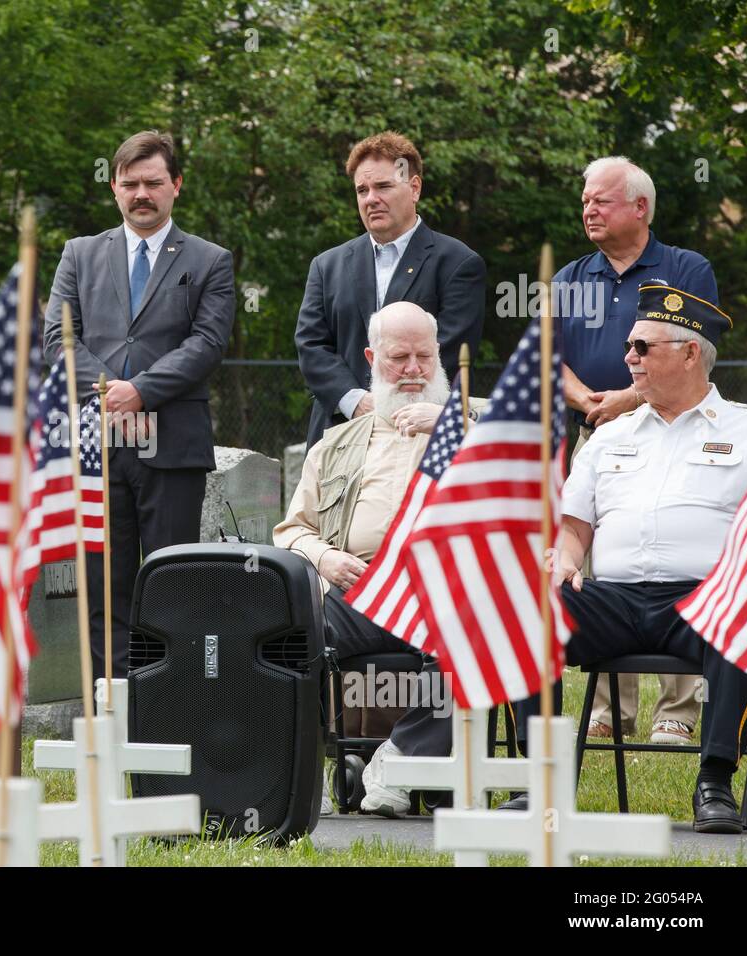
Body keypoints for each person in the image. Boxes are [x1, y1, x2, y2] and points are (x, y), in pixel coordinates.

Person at [367, 286, 747, 833]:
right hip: (614, 597)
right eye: (629, 346)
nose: (628, 358)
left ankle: (715, 781)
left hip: (707, 597)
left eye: (642, 347)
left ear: (690, 353)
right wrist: (565, 560)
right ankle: (541, 779)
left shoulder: (746, 430)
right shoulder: (609, 435)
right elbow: (575, 527)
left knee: (746, 613)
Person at [275, 301, 481, 815]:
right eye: (398, 358)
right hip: (361, 589)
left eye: (423, 357)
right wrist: (323, 559)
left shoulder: (477, 426)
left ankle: (397, 763)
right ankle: (296, 770)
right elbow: (291, 530)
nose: (412, 370)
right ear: (372, 358)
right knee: (284, 638)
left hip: (442, 591)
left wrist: (459, 427)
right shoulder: (336, 443)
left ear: (441, 358)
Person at [44, 130, 235, 682]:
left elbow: (208, 342)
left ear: (176, 185)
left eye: (153, 182)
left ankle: (170, 714)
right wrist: (110, 392)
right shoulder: (79, 255)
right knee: (105, 588)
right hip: (95, 446)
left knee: (174, 587)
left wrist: (142, 390)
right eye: (130, 184)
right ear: (114, 188)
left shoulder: (209, 261)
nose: (141, 194)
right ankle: (115, 713)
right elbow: (59, 339)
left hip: (171, 446)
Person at [557, 156, 718, 746]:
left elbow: (696, 344)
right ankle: (609, 708)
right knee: (600, 559)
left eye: (600, 200)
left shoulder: (684, 268)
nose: (588, 210)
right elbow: (551, 356)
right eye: (585, 202)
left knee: (679, 541)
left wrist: (629, 396)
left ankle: (678, 709)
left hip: (678, 423)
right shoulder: (571, 277)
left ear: (639, 207)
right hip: (595, 430)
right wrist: (588, 404)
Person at [295, 131, 485, 448]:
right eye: (362, 190)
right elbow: (311, 345)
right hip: (340, 434)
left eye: (383, 186)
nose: (371, 198)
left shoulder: (458, 263)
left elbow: (446, 350)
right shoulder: (326, 266)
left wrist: (385, 408)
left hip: (421, 437)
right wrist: (355, 400)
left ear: (414, 188)